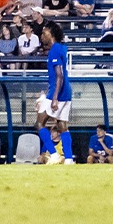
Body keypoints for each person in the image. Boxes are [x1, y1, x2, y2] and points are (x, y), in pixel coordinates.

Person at [36, 21, 74, 164]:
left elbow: (59, 75)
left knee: (40, 123)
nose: (41, 36)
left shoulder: (54, 50)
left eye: (44, 33)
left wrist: (54, 98)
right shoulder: (62, 48)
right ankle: (69, 159)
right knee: (62, 125)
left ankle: (54, 154)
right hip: (66, 91)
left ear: (50, 34)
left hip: (58, 93)